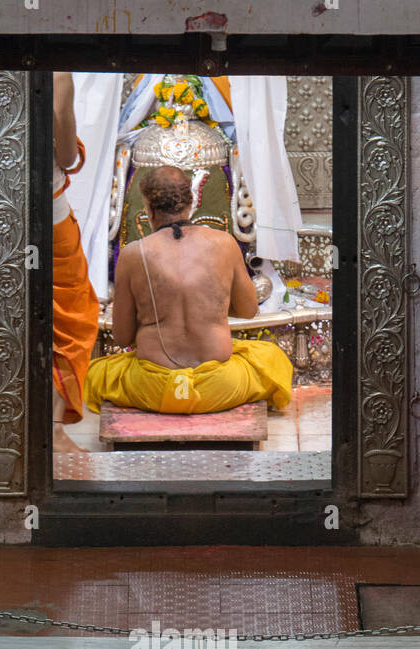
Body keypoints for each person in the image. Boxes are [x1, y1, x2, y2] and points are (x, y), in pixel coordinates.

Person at [84, 165, 293, 415]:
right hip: (220, 386)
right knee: (271, 358)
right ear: (192, 202)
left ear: (149, 208)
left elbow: (122, 335)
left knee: (96, 374)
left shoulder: (132, 254)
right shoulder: (224, 243)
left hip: (153, 387)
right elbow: (249, 311)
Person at [51, 72, 100, 450]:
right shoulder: (55, 72)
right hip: (49, 218)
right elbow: (66, 156)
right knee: (71, 315)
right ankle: (52, 427)